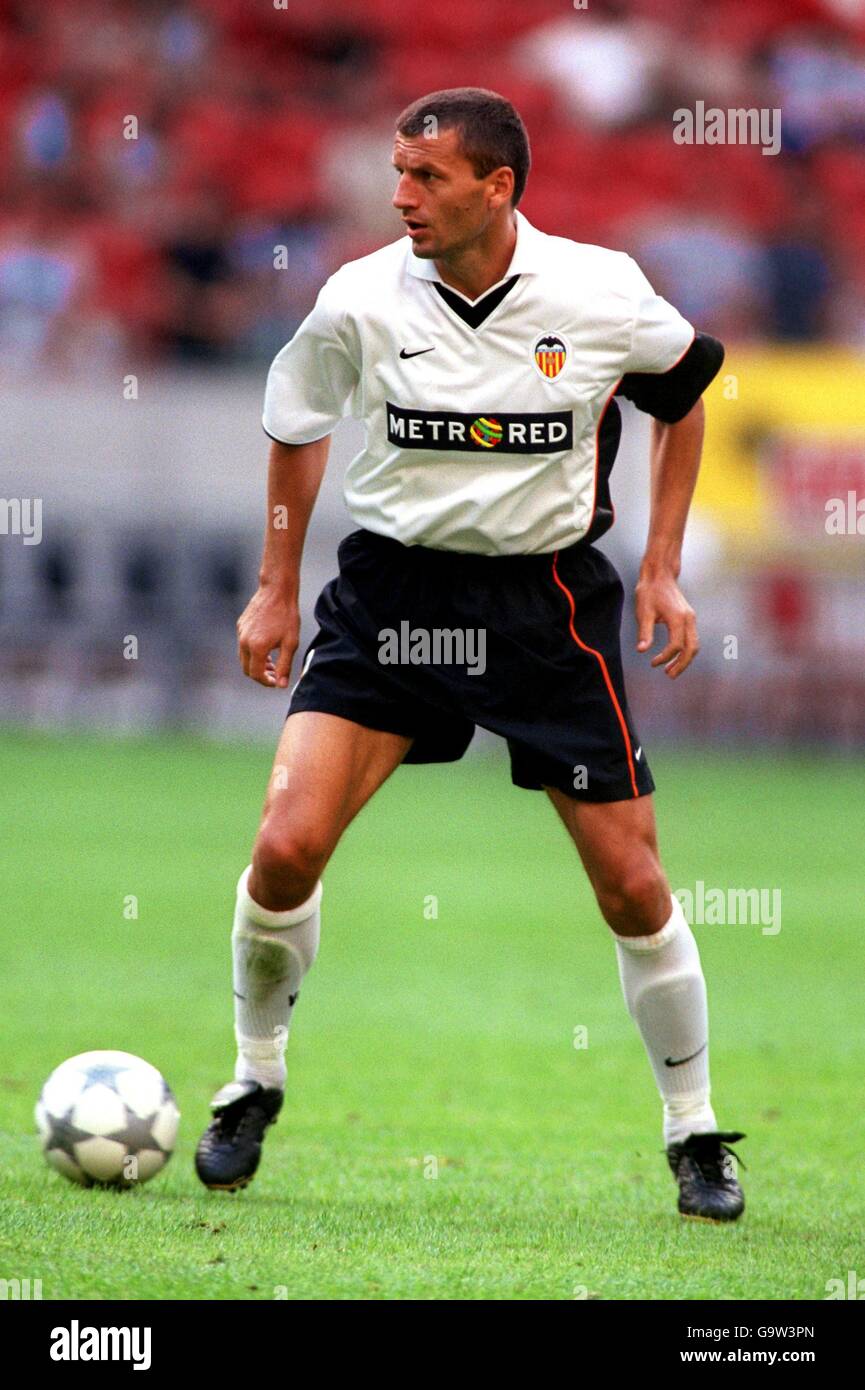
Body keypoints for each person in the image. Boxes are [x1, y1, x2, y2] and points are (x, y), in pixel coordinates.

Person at [195, 88, 745, 1221]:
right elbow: (296, 427)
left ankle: (694, 1134)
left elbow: (683, 393)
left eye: (428, 177)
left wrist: (660, 566)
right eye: (398, 173)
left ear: (498, 188)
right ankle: (253, 1080)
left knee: (634, 885)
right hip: (392, 593)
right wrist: (274, 585)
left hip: (545, 606)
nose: (401, 196)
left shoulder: (594, 292)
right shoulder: (358, 297)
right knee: (286, 845)